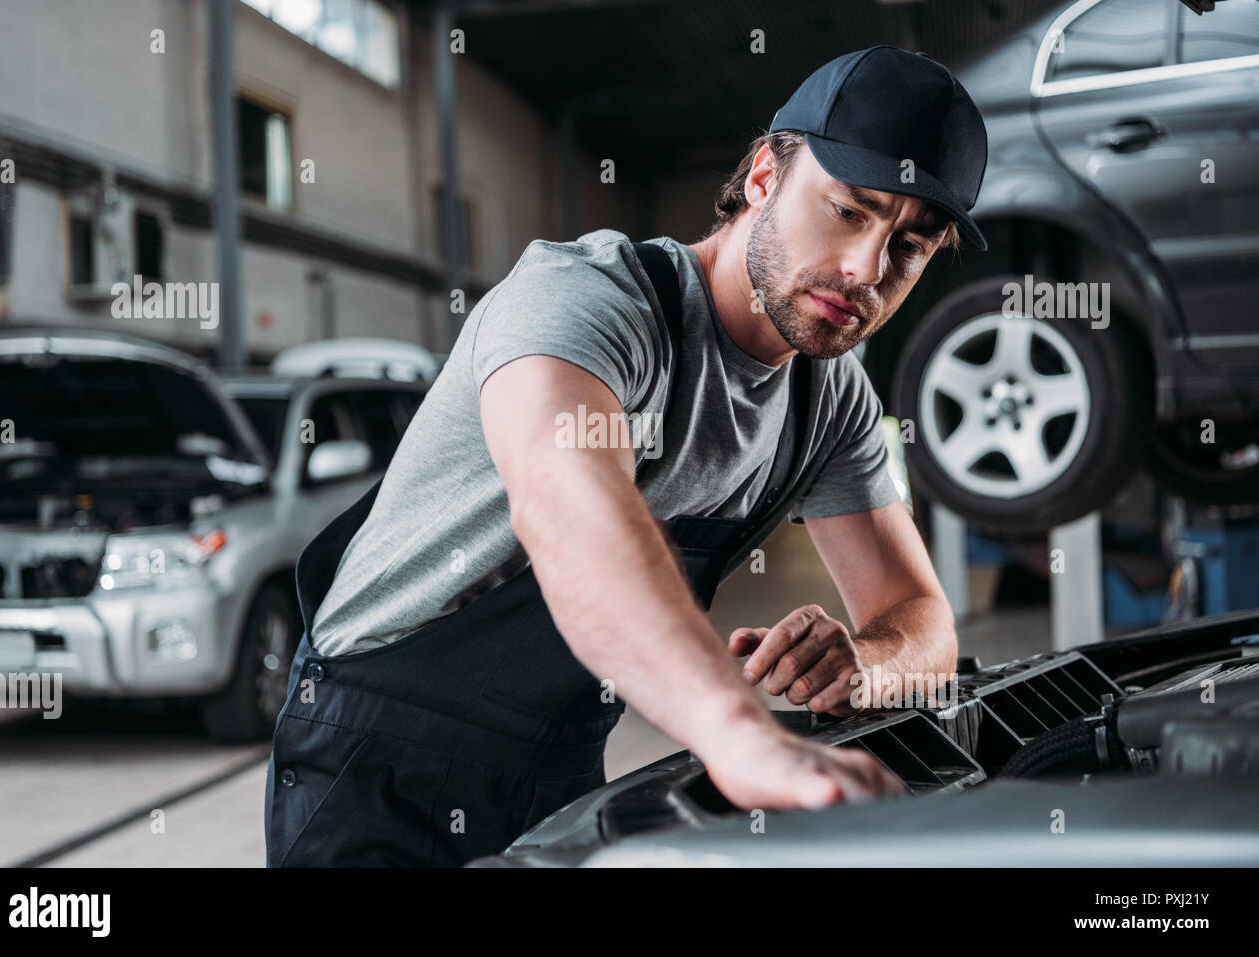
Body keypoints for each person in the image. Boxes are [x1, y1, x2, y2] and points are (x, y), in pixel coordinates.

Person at [265, 45, 989, 867]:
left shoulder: (830, 400)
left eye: (910, 247)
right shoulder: (587, 302)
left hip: (559, 762)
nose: (866, 270)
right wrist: (742, 735)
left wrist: (866, 664)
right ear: (763, 177)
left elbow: (926, 625)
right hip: (377, 749)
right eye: (849, 211)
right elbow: (570, 517)